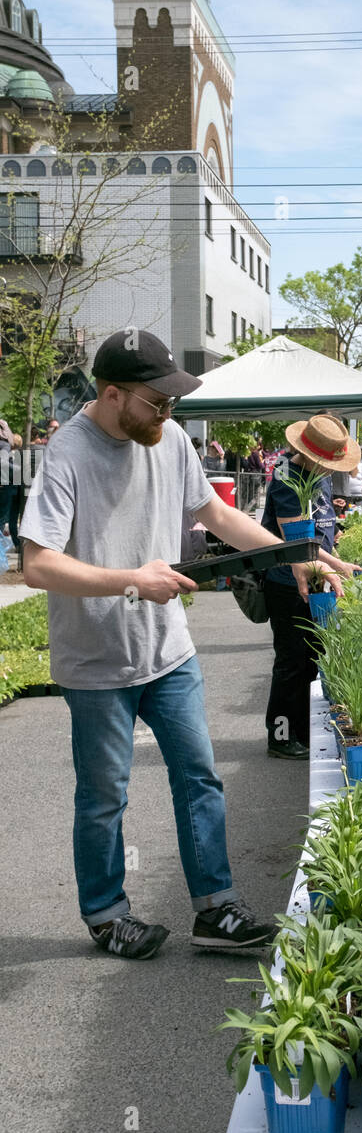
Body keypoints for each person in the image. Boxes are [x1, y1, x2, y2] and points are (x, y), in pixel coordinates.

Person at [19, 330, 290, 961]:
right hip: (96, 663)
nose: (168, 414)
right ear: (112, 394)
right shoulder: (67, 454)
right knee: (105, 795)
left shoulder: (168, 439)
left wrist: (286, 558)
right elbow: (37, 564)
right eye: (155, 402)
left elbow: (215, 515)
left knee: (199, 776)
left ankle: (215, 908)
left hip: (169, 652)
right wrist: (131, 580)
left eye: (174, 402)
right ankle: (107, 914)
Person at [261, 414, 360, 760]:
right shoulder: (287, 477)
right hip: (287, 583)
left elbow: (320, 529)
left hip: (316, 582)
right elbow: (295, 543)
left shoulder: (321, 476)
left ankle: (303, 730)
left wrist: (336, 557)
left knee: (310, 661)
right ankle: (281, 735)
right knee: (291, 662)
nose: (331, 469)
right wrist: (336, 564)